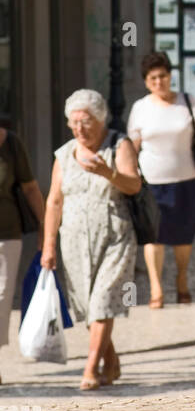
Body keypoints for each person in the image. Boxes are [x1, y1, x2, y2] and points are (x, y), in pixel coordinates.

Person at [41, 90, 140, 390]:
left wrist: (107, 172)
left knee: (103, 301)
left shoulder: (118, 145)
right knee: (87, 306)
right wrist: (48, 245)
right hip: (73, 240)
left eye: (85, 122)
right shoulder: (64, 154)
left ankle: (90, 367)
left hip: (115, 236)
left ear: (100, 120)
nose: (79, 129)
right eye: (73, 123)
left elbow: (133, 185)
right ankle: (111, 361)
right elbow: (54, 202)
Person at [127, 52, 195, 307]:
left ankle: (181, 278)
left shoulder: (188, 103)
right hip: (151, 182)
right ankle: (156, 289)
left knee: (183, 236)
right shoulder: (140, 108)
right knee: (153, 236)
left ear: (170, 77)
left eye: (163, 76)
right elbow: (132, 147)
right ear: (146, 82)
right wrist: (129, 176)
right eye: (153, 78)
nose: (159, 81)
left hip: (186, 180)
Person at [0, 122, 44, 383]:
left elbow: (29, 187)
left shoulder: (12, 144)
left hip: (7, 231)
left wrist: (45, 228)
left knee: (2, 297)